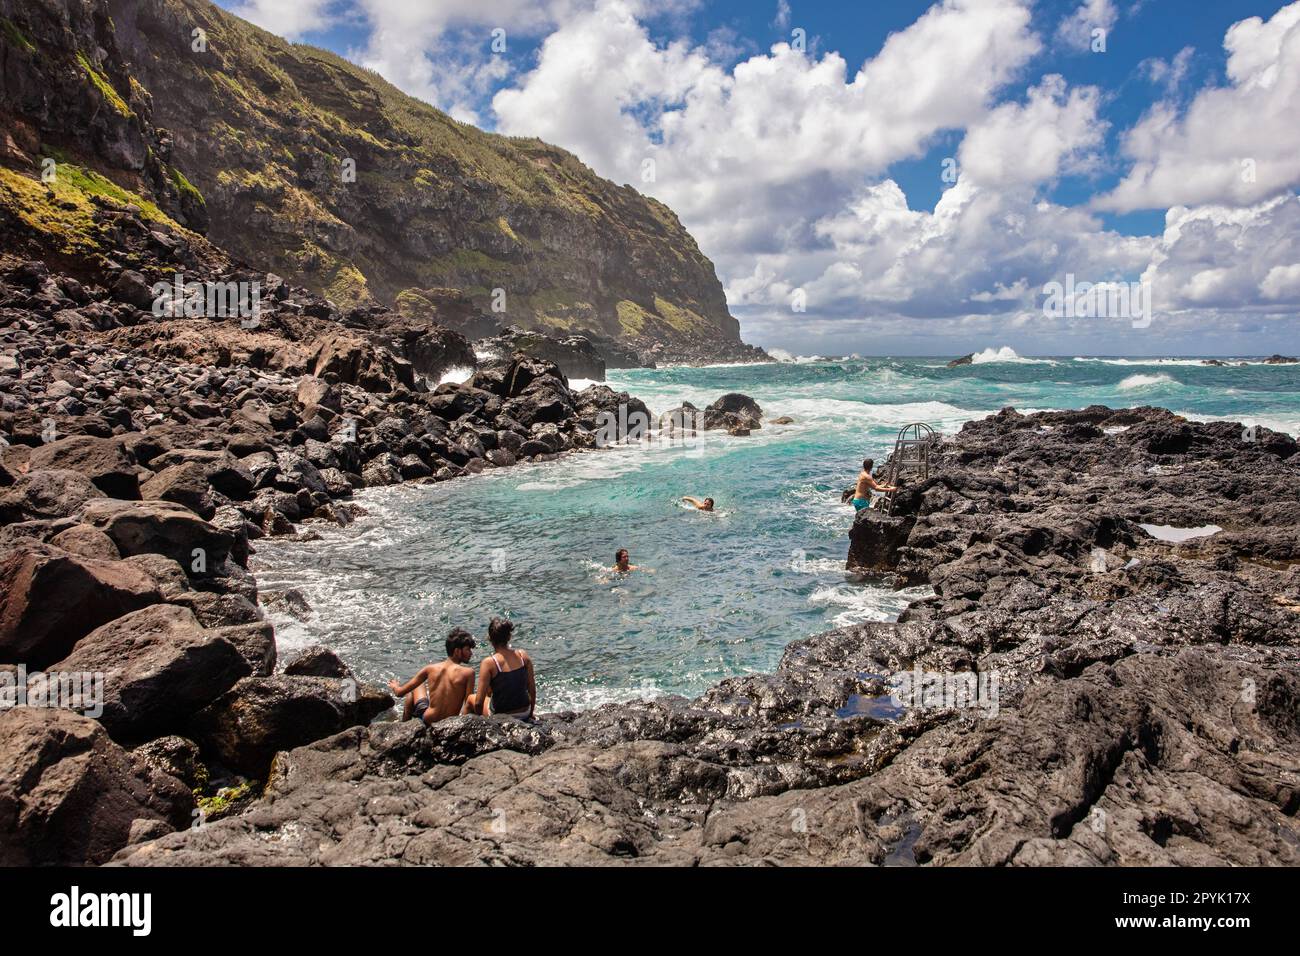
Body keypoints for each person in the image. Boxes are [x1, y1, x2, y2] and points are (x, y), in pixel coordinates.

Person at [388, 628, 477, 725]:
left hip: (428, 720)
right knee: (418, 687)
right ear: (457, 651)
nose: (471, 653)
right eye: (468, 649)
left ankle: (404, 726)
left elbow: (400, 693)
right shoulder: (468, 673)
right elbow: (468, 705)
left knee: (416, 688)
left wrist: (395, 687)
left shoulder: (430, 669)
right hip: (450, 724)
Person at [475, 617, 536, 720]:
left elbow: (478, 703)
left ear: (490, 638)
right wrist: (530, 713)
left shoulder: (489, 663)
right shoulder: (523, 656)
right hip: (525, 712)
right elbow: (532, 690)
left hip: (501, 716)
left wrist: (482, 723)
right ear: (509, 637)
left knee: (470, 699)